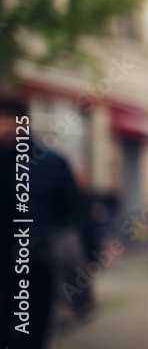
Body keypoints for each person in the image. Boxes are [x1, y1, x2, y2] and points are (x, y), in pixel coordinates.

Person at [0, 95, 90, 349]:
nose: (7, 127)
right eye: (2, 119)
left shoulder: (51, 164)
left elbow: (74, 213)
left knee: (33, 329)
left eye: (12, 119)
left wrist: (83, 262)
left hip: (38, 261)